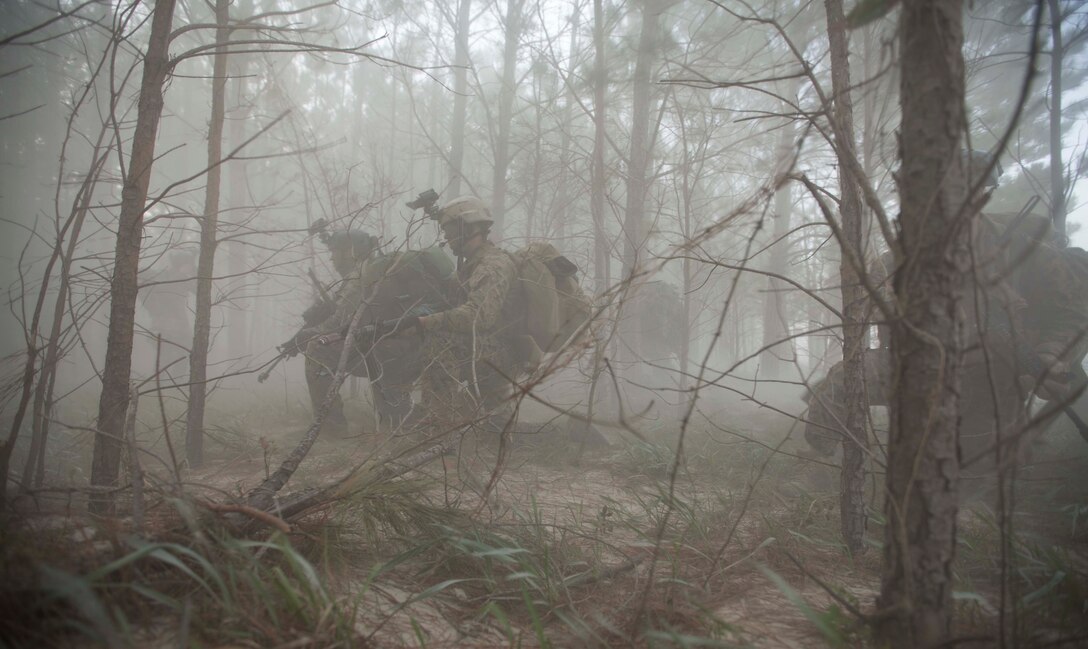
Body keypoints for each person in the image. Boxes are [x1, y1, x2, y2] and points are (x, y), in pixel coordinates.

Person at [382, 195, 524, 436]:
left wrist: (424, 323)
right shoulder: (469, 267)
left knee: (440, 339)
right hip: (484, 346)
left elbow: (478, 317)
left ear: (470, 228)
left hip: (502, 348)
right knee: (496, 428)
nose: (446, 239)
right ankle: (404, 414)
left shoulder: (493, 265)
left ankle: (437, 428)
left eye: (450, 232)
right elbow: (449, 305)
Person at [284, 229, 379, 434]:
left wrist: (307, 334)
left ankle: (331, 429)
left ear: (348, 252)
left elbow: (341, 322)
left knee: (317, 350)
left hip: (377, 347)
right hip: (385, 343)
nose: (331, 257)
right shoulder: (366, 272)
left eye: (334, 252)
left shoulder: (358, 277)